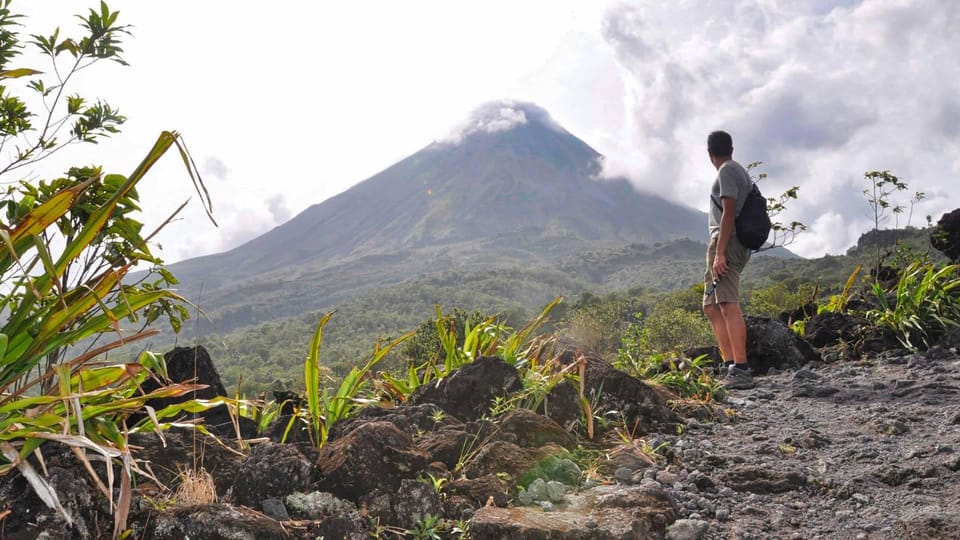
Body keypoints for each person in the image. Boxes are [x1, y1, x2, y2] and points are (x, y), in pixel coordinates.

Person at [703, 130, 754, 389]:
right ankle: (730, 364)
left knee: (726, 303)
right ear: (731, 147)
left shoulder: (726, 171)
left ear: (710, 153)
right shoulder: (738, 170)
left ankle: (741, 368)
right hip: (729, 242)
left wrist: (720, 252)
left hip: (727, 242)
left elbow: (729, 213)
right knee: (711, 305)